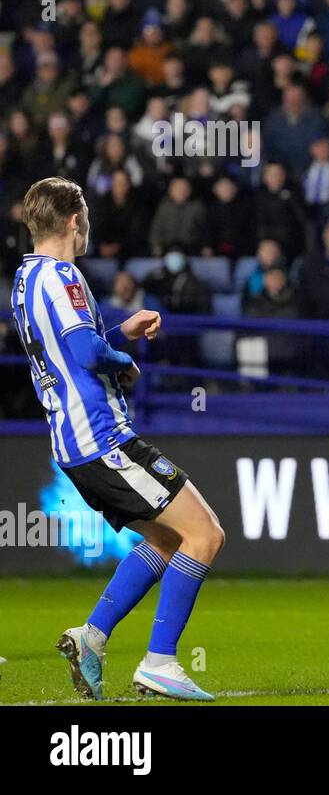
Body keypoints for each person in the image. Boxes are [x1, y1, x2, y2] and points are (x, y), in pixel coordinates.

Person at [11, 177, 223, 701]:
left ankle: (92, 637)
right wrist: (123, 359)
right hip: (103, 438)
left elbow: (71, 351)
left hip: (73, 445)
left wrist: (120, 333)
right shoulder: (65, 277)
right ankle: (160, 661)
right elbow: (85, 355)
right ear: (73, 221)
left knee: (165, 539)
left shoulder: (24, 281)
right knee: (205, 535)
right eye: (85, 220)